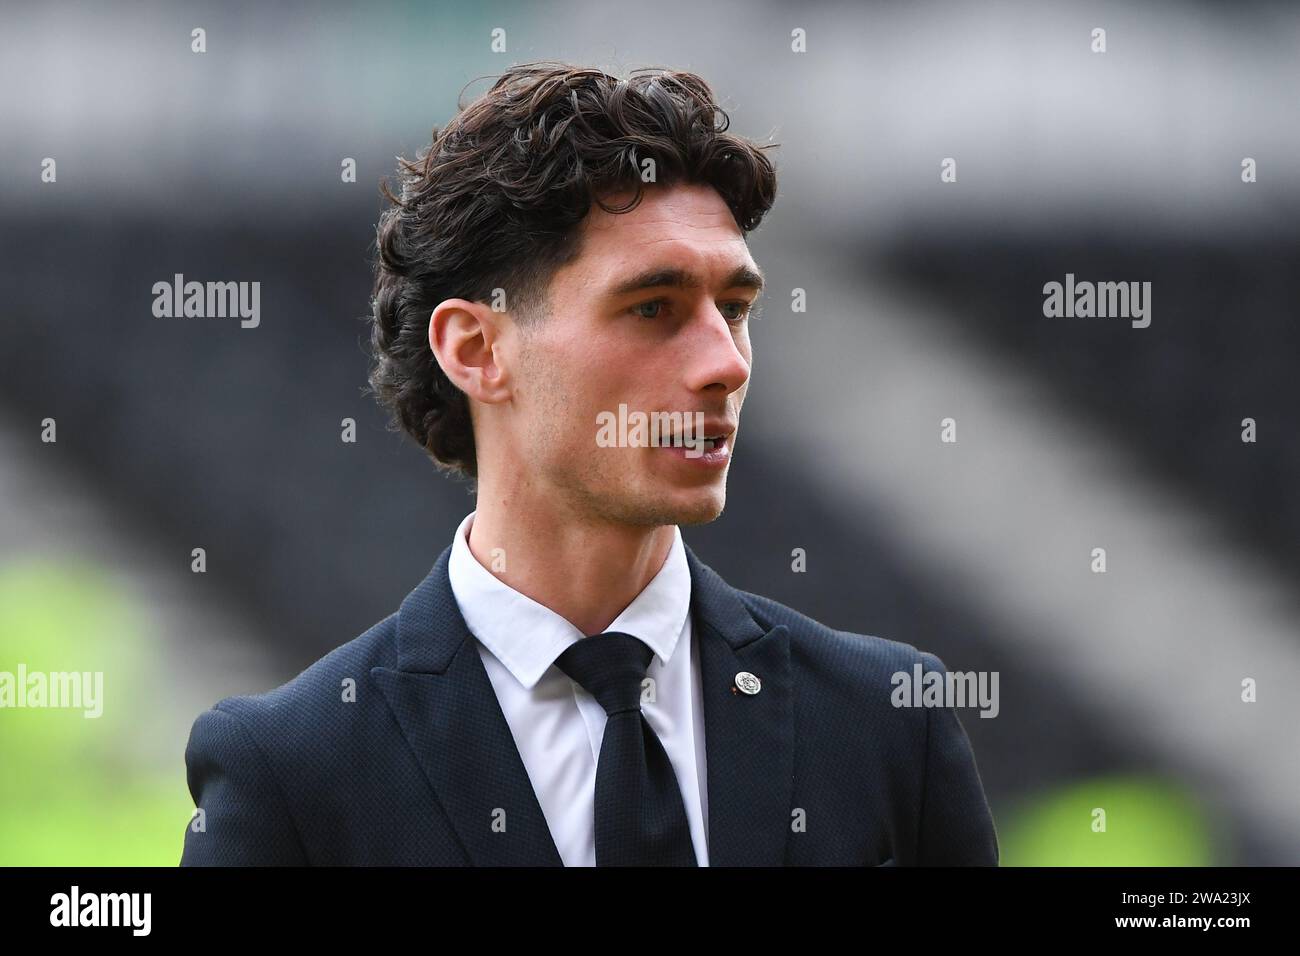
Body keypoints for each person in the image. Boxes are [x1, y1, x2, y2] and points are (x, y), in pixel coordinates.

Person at [181, 61, 998, 866]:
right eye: (653, 307)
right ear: (477, 350)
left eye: (736, 309)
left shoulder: (887, 721)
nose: (728, 362)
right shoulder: (294, 771)